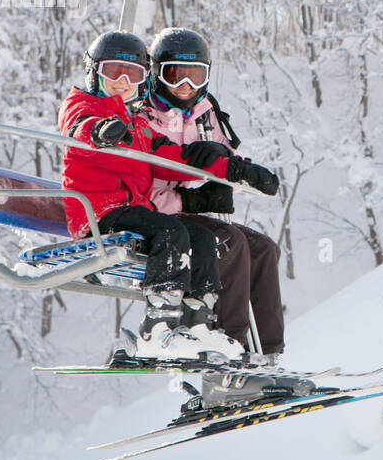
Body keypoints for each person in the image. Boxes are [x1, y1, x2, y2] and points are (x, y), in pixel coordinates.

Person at [57, 30, 278, 362]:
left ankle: (200, 325)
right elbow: (78, 123)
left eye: (132, 74)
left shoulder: (138, 126)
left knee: (201, 237)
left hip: (134, 211)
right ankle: (157, 326)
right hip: (99, 212)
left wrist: (231, 169)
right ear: (94, 72)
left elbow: (174, 159)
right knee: (175, 231)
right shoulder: (87, 107)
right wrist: (101, 130)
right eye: (112, 71)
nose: (121, 81)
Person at [137, 27, 286, 365]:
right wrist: (194, 182)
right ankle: (228, 346)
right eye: (175, 76)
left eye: (195, 76)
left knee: (264, 248)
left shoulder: (205, 111)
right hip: (150, 210)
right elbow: (152, 163)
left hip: (177, 207)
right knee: (228, 242)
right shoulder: (142, 111)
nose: (185, 87)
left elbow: (224, 156)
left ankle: (270, 353)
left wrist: (244, 171)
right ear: (157, 73)